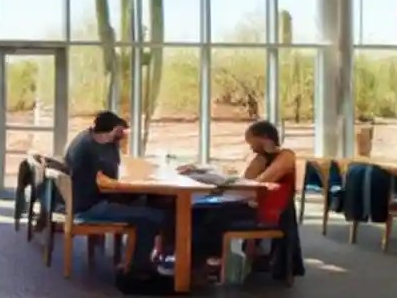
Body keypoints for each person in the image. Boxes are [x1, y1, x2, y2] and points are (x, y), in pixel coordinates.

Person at [63, 111, 165, 274]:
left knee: (148, 203)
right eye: (119, 131)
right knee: (151, 216)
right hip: (90, 207)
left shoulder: (88, 139)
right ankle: (138, 268)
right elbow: (106, 179)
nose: (122, 135)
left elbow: (111, 172)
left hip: (89, 200)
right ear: (110, 131)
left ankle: (140, 260)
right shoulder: (89, 149)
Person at [190, 121, 295, 269]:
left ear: (264, 137)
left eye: (251, 142)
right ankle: (193, 259)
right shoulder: (261, 158)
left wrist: (265, 155)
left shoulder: (286, 155)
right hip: (250, 201)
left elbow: (260, 182)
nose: (251, 148)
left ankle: (205, 260)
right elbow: (248, 178)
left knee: (212, 216)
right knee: (197, 211)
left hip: (263, 211)